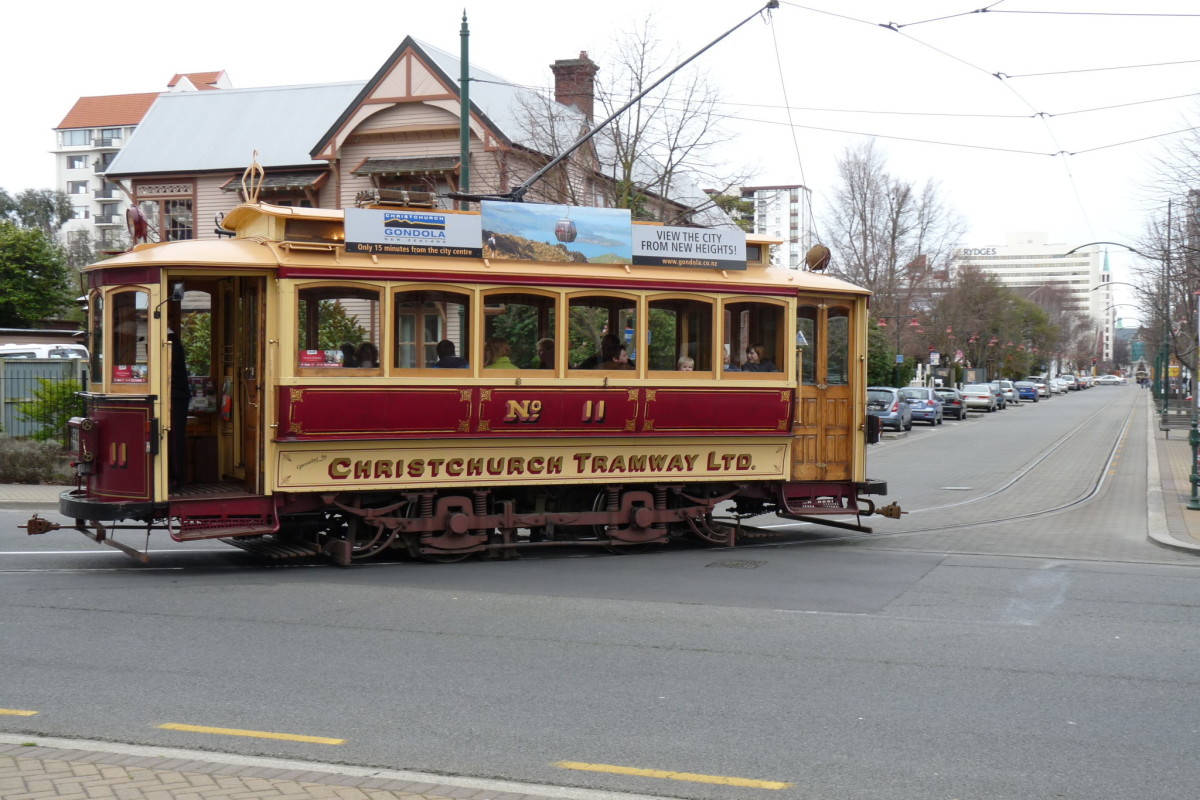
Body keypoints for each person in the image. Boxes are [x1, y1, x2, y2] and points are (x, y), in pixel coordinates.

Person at [168, 330, 190, 491]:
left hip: (175, 397)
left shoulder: (170, 342)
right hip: (175, 395)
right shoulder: (172, 340)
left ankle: (176, 478)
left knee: (175, 438)